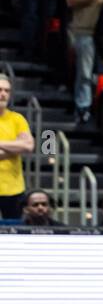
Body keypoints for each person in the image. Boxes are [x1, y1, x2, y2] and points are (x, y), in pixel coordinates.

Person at [0, 75, 34, 220]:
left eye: (7, 91)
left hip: (14, 189)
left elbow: (28, 145)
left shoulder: (17, 119)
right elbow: (21, 146)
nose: (3, 94)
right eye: (0, 90)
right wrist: (14, 148)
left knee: (13, 233)